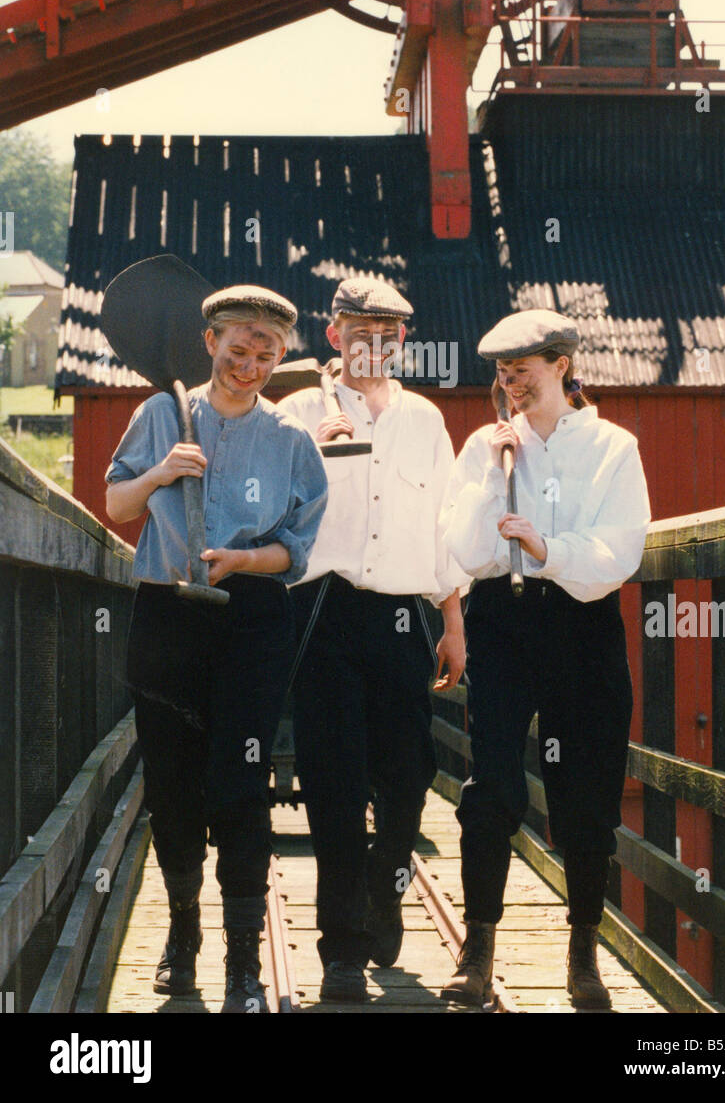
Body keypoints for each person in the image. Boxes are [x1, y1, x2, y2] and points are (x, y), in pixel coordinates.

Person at [105, 284, 328, 1013]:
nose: (251, 364)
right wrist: (162, 471)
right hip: (167, 616)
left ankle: (241, 965)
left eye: (266, 352)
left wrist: (243, 561)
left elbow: (294, 550)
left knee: (239, 784)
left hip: (250, 618)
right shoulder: (161, 413)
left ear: (282, 354)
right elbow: (116, 506)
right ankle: (182, 938)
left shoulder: (292, 442)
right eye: (238, 349)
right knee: (171, 784)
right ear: (210, 344)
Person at [438, 309, 651, 1009]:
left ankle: (582, 952)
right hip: (501, 622)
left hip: (581, 624)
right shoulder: (484, 446)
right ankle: (478, 948)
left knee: (586, 797)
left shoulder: (612, 447)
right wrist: (486, 478)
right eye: (501, 376)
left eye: (521, 373)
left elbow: (616, 554)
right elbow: (466, 554)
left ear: (560, 365)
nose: (509, 387)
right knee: (490, 784)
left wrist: (546, 549)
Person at [280, 275, 468, 1003]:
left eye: (386, 334)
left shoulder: (422, 419)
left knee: (409, 771)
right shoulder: (296, 410)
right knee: (332, 781)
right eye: (359, 332)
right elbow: (262, 513)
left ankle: (386, 884)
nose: (373, 345)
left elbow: (444, 523)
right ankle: (342, 952)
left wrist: (452, 622)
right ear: (335, 337)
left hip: (401, 616)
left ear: (401, 342)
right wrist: (305, 456)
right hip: (324, 611)